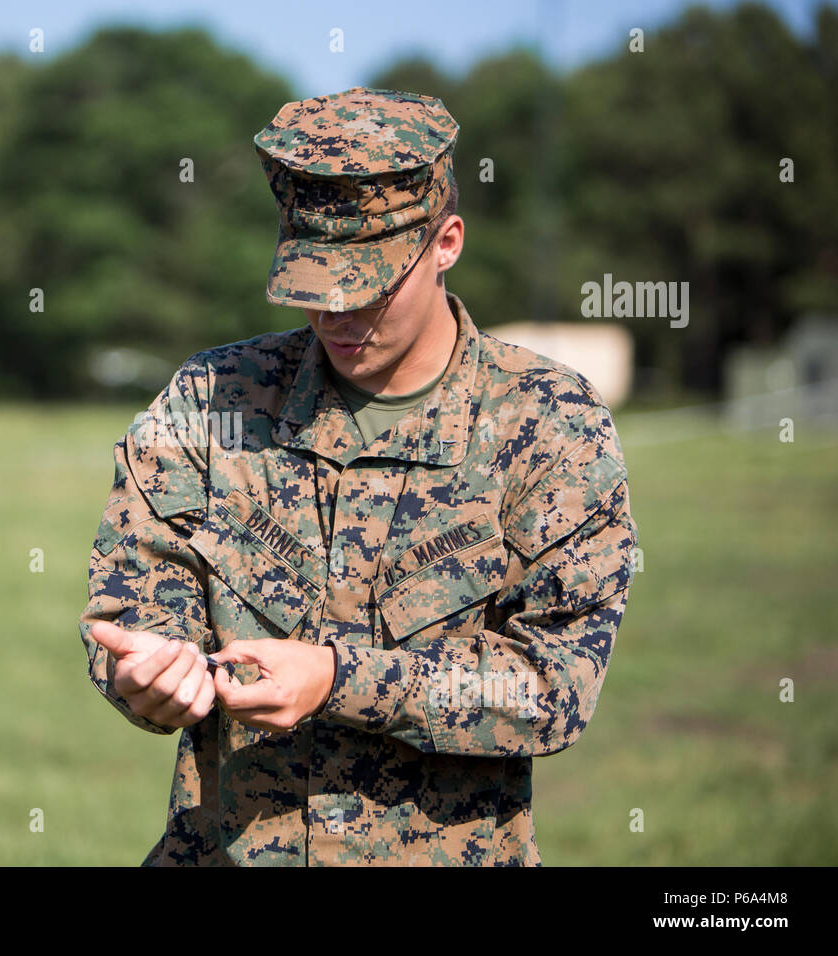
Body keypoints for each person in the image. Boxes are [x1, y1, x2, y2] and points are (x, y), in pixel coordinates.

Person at [79, 87, 637, 866]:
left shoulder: (549, 424)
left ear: (447, 242)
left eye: (368, 285)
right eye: (313, 285)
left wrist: (340, 679)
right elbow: (133, 611)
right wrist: (147, 675)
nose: (338, 314)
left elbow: (551, 688)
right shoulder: (213, 402)